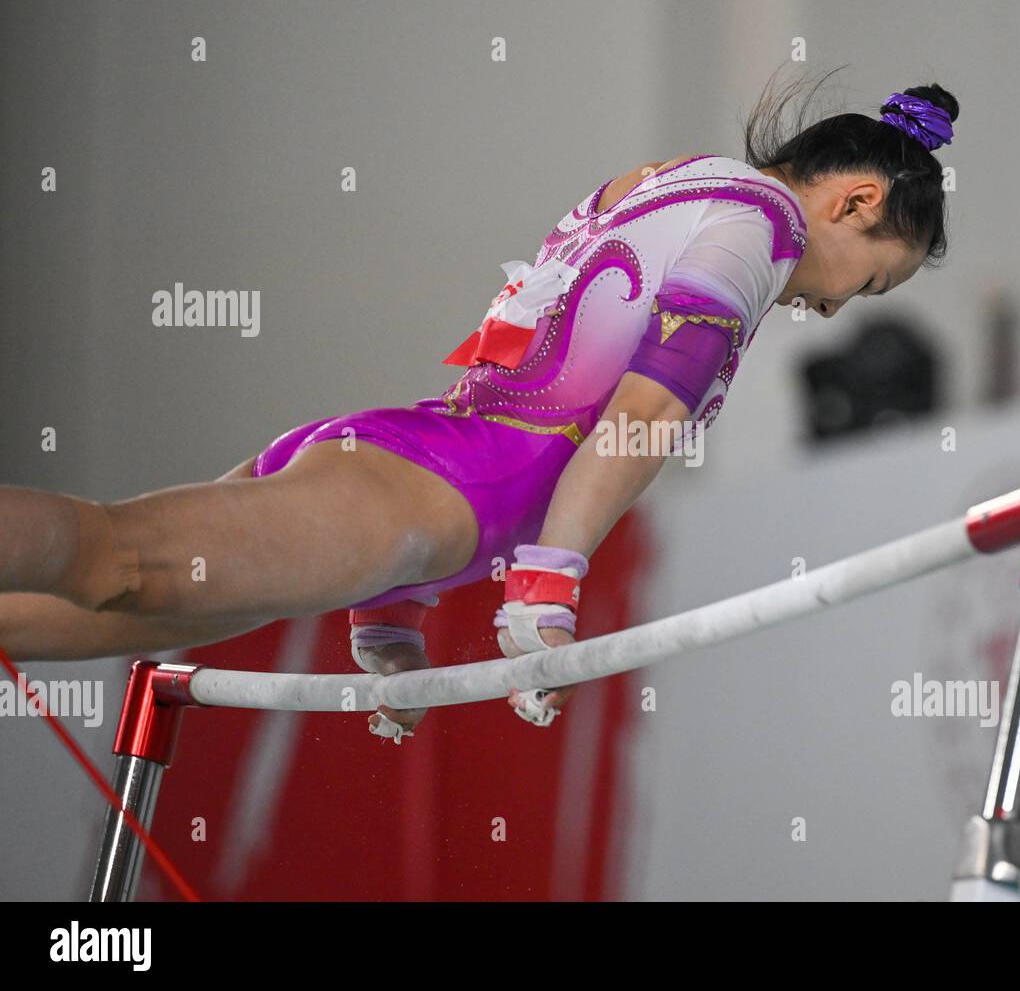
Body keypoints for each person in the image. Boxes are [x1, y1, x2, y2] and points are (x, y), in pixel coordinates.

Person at [0, 69, 958, 741]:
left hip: (407, 474)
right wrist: (550, 579)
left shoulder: (679, 185)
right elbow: (639, 412)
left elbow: (513, 380)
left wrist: (397, 608)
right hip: (427, 484)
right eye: (867, 283)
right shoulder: (764, 227)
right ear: (854, 203)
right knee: (109, 552)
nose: (833, 308)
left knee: (129, 598)